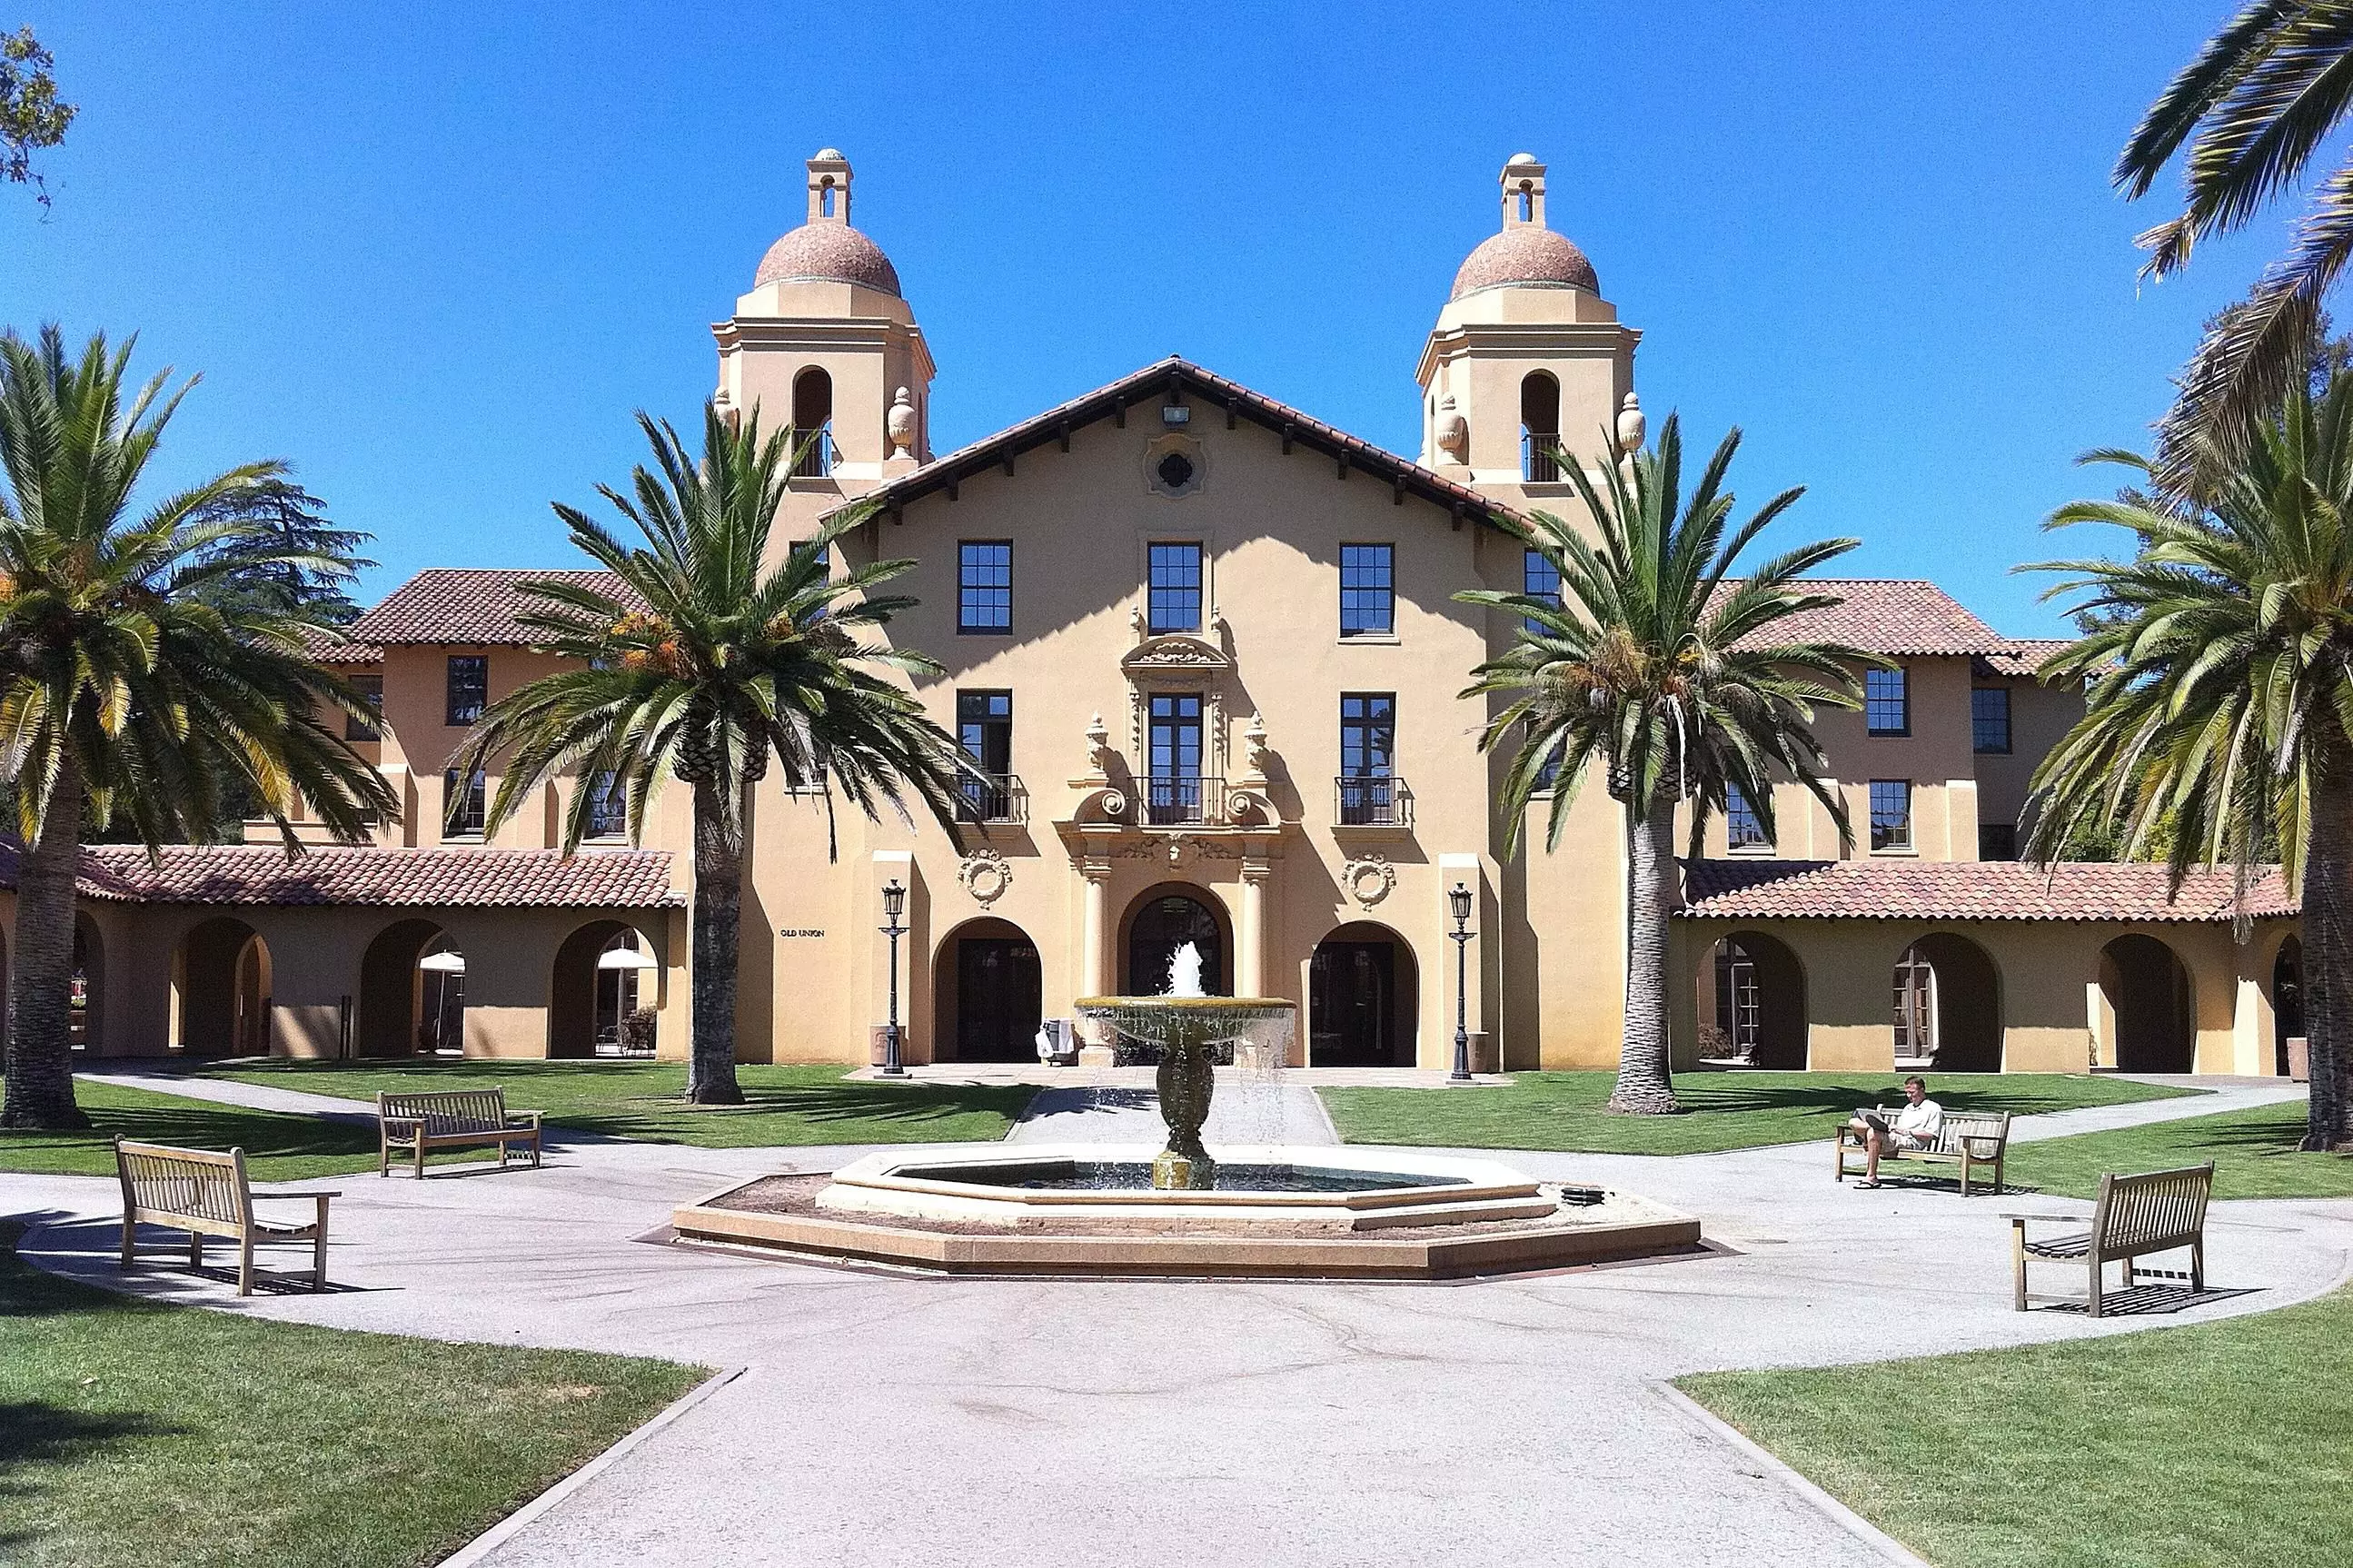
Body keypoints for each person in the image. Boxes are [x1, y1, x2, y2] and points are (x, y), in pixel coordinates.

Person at [1848, 1075, 1942, 1188]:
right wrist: (1894, 1129)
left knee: (1873, 1133)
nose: (1909, 1096)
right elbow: (1899, 1130)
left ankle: (1871, 1176)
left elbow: (1931, 1135)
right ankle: (1870, 1132)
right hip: (1896, 1137)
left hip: (1912, 1142)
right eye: (1907, 1092)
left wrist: (1907, 1132)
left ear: (1922, 1090)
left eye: (1912, 1092)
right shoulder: (1908, 1107)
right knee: (1853, 1121)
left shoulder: (1933, 1108)